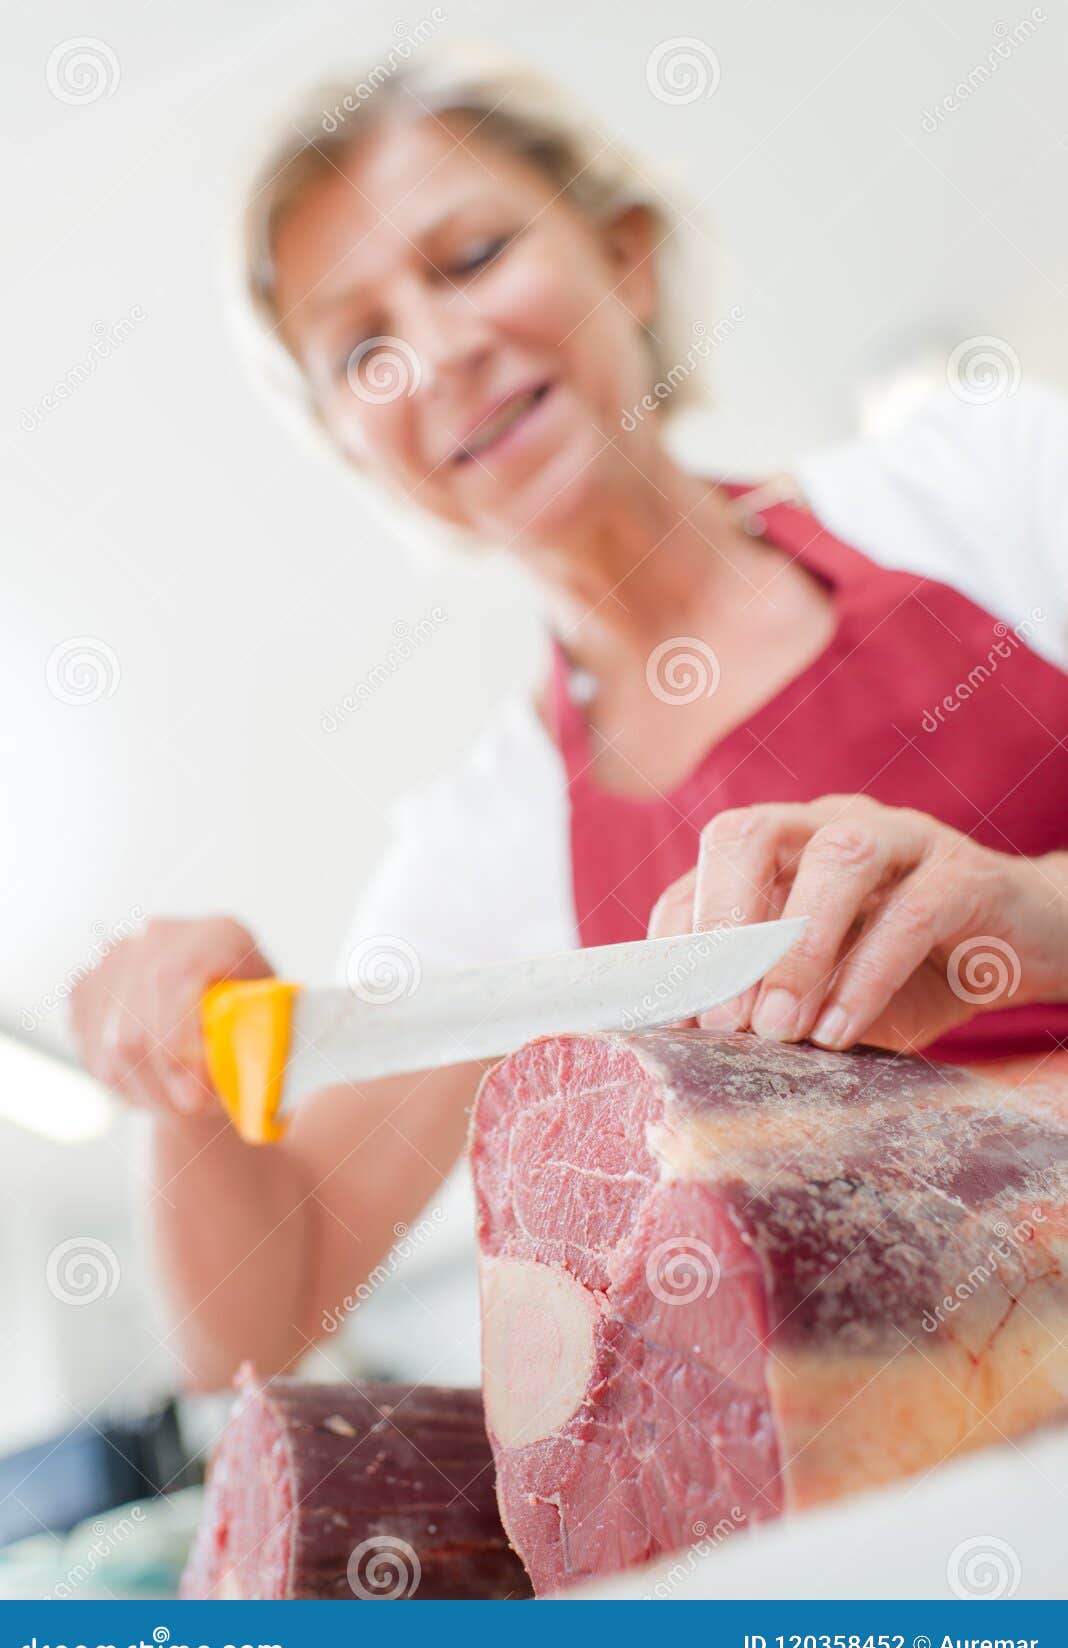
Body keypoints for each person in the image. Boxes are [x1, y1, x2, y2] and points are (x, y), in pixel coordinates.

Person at [71, 47, 1068, 1391]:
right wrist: (185, 1075)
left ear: (626, 256)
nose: (436, 352)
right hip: (941, 1446)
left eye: (471, 255)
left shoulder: (985, 476)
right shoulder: (485, 843)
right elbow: (269, 1309)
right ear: (355, 448)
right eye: (361, 348)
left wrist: (1032, 915)